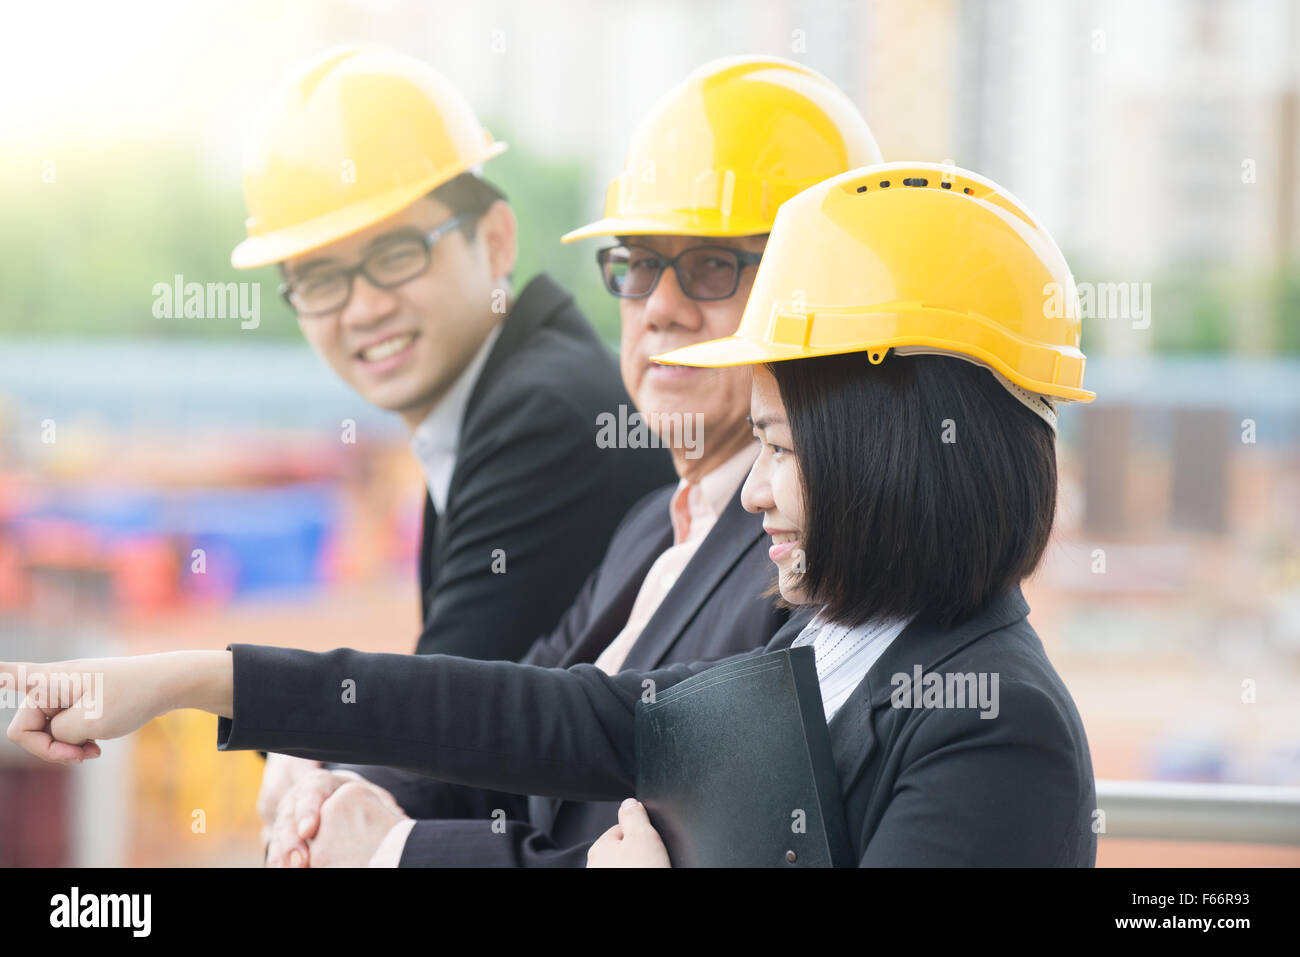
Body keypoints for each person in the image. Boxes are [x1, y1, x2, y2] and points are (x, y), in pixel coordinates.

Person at [4, 161, 1099, 866]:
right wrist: (201, 681)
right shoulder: (831, 637)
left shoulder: (992, 728)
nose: (751, 489)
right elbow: (544, 715)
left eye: (774, 447)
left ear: (888, 449)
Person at [260, 55, 882, 868]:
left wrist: (394, 849)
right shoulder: (650, 531)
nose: (660, 306)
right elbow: (513, 712)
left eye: (712, 264)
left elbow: (684, 848)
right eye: (639, 266)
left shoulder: (809, 563)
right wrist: (354, 789)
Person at [232, 44, 675, 822]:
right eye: (320, 278)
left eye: (396, 254)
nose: (362, 307)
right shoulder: (504, 395)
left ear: (495, 240)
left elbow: (441, 726)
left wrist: (307, 757)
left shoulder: (544, 415)